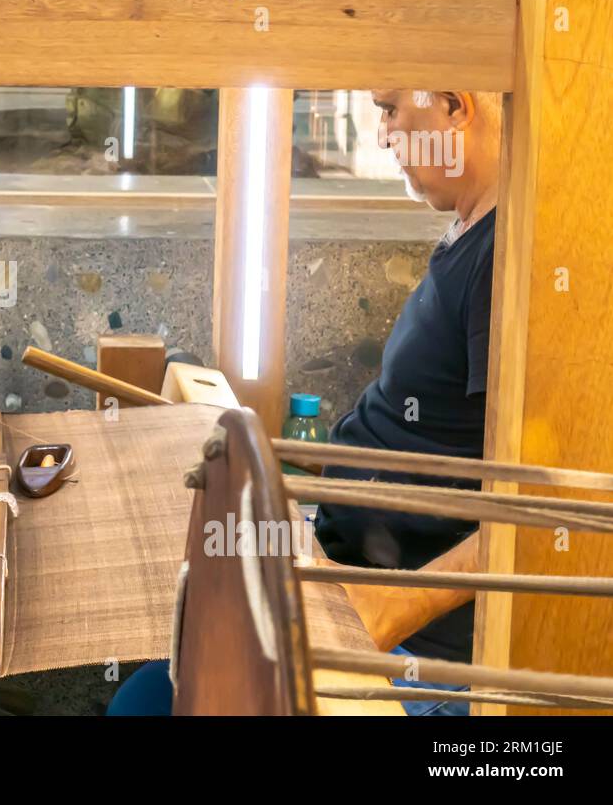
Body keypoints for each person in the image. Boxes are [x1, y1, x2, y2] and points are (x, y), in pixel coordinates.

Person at [108, 89, 500, 716]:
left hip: (414, 652)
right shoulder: (466, 234)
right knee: (149, 693)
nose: (382, 135)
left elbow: (538, 511)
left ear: (454, 105)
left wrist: (391, 610)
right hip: (340, 576)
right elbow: (419, 435)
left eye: (391, 109)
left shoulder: (503, 260)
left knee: (148, 708)